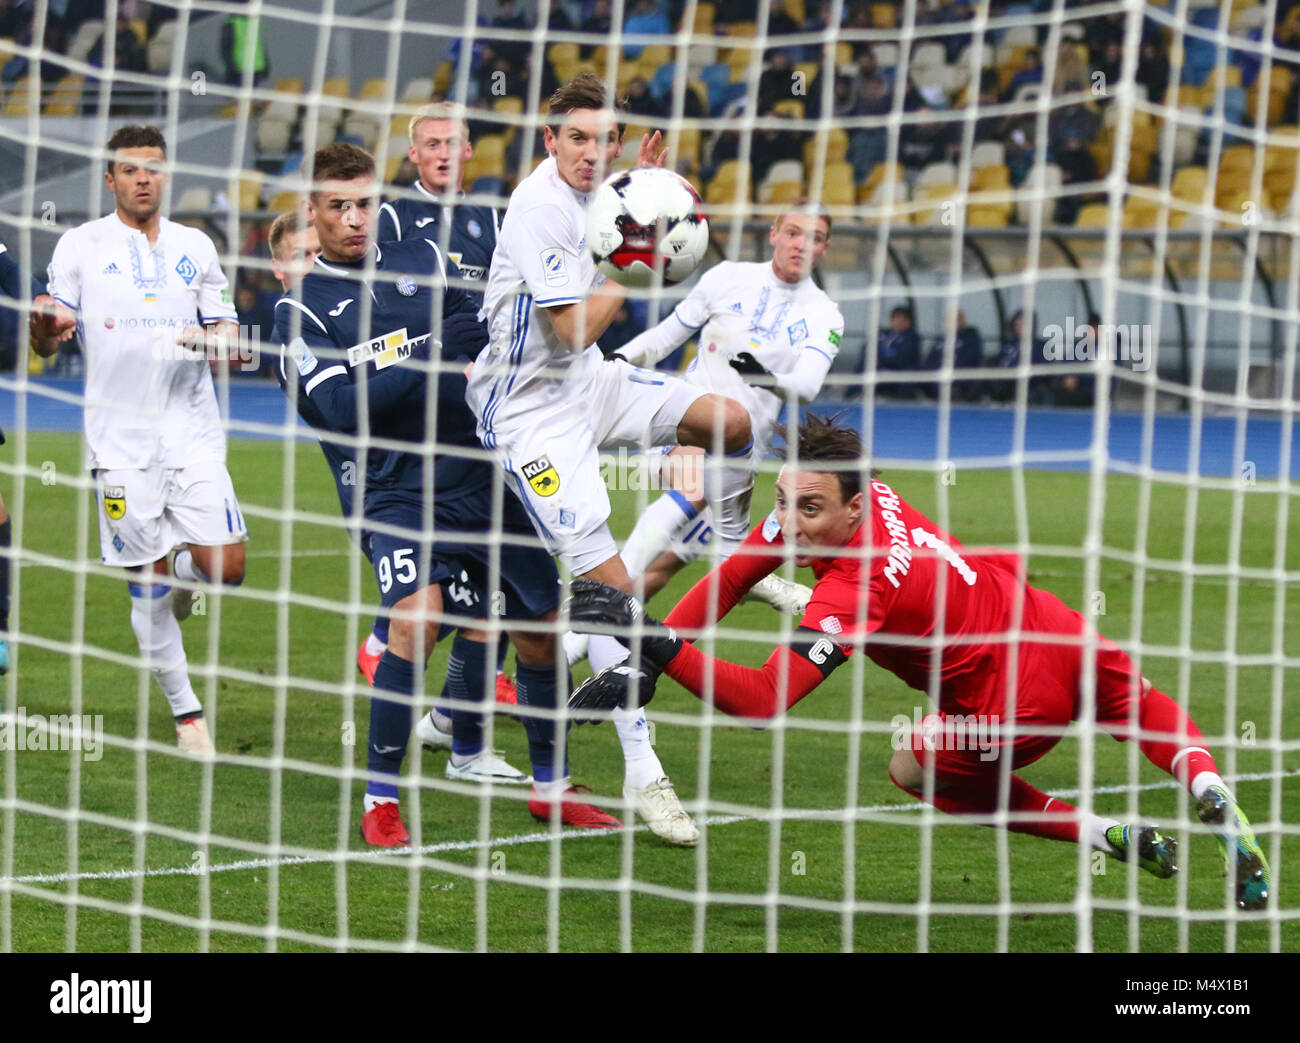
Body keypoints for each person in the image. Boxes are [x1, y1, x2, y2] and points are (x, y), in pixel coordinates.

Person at [568, 415, 1272, 911]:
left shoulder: (855, 587)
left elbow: (761, 702)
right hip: (1049, 621)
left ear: (850, 509)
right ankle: (1207, 782)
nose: (789, 520)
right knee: (1138, 699)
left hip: (1011, 703)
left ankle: (1098, 831)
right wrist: (647, 664)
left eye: (808, 508)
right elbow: (732, 576)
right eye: (784, 500)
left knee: (911, 763)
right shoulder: (849, 491)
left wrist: (648, 635)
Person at [466, 72, 754, 845]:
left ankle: (730, 547)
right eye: (578, 138)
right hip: (530, 412)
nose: (594, 154)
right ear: (549, 139)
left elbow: (587, 345)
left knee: (729, 422)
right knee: (610, 589)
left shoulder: (616, 189)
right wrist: (637, 256)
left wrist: (648, 198)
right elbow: (571, 330)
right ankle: (643, 770)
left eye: (608, 140)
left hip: (592, 387)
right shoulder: (536, 210)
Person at [272, 144, 561, 847]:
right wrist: (431, 350)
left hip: (475, 471)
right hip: (393, 488)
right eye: (337, 206)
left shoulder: (424, 261)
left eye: (364, 203)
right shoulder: (297, 311)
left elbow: (483, 333)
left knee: (541, 626)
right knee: (414, 620)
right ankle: (381, 799)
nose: (353, 218)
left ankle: (549, 787)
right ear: (313, 213)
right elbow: (341, 409)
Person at [31, 124, 248, 757]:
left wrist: (201, 341)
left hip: (192, 432)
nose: (143, 178)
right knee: (144, 585)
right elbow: (46, 336)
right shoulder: (80, 244)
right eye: (129, 170)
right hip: (118, 443)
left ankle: (182, 571)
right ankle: (188, 716)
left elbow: (234, 341)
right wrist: (45, 326)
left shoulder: (197, 246)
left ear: (165, 173)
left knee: (226, 568)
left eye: (152, 167)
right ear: (111, 179)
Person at [596, 204, 843, 651]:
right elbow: (666, 336)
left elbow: (806, 386)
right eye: (792, 232)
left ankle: (596, 658)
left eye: (814, 237)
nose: (800, 244)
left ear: (824, 248)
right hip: (684, 425)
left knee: (662, 569)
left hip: (739, 461)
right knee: (693, 490)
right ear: (774, 234)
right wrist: (614, 362)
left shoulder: (826, 314)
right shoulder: (726, 276)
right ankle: (762, 583)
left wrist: (766, 376)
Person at [373, 102, 516, 702]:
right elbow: (375, 309)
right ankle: (393, 642)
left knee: (501, 550)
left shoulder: (489, 215)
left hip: (488, 399)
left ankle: (465, 697)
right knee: (449, 540)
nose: (440, 152)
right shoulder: (392, 217)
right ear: (414, 154)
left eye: (452, 142)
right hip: (423, 407)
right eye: (430, 143)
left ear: (466, 152)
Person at [877, 304, 922, 397]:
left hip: (899, 373)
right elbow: (867, 350)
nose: (898, 322)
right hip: (880, 370)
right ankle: (851, 399)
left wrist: (883, 356)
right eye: (895, 319)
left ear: (908, 322)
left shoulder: (912, 338)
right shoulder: (884, 335)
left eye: (902, 320)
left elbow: (902, 358)